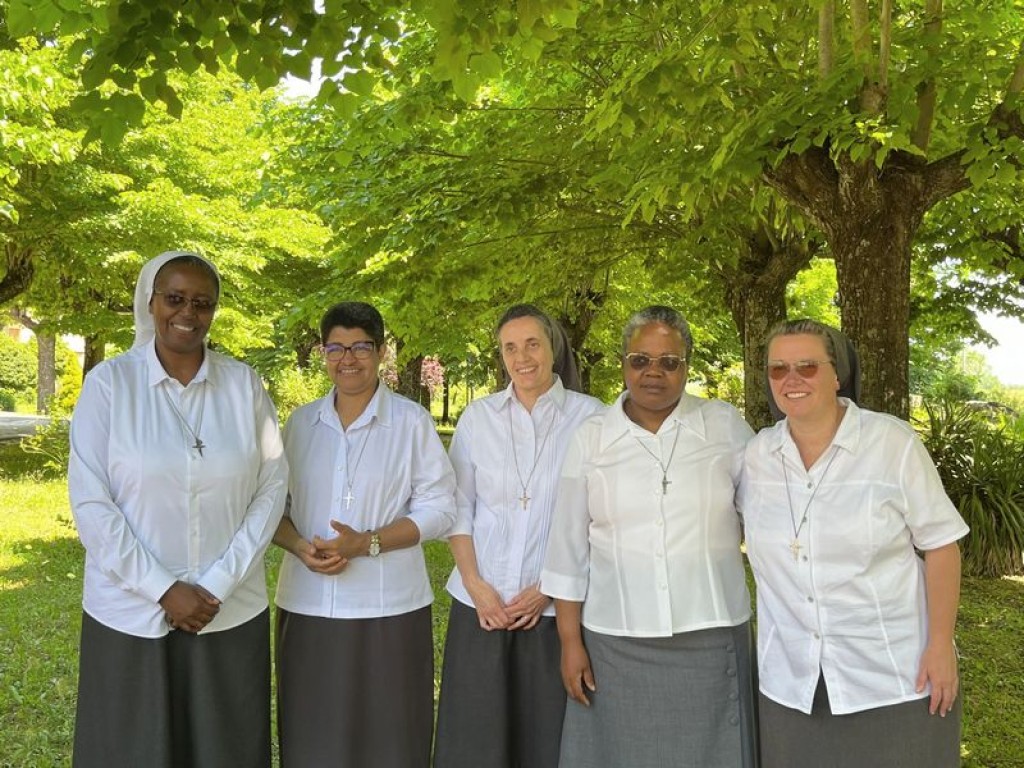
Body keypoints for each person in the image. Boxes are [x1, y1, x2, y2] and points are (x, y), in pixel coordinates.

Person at [68, 250, 288, 767]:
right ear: (150, 303)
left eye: (202, 303)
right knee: (131, 752)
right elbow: (92, 502)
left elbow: (271, 487)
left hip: (227, 609)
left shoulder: (244, 386)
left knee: (225, 751)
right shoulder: (109, 385)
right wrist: (164, 589)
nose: (188, 313)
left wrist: (215, 585)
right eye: (174, 298)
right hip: (129, 611)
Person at [738, 318, 967, 768]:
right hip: (791, 680)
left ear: (837, 374)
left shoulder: (891, 443)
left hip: (893, 674)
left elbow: (942, 544)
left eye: (807, 366)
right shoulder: (756, 455)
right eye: (778, 369)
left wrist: (940, 645)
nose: (791, 379)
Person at [540, 305, 757, 768]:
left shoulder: (725, 427)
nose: (653, 372)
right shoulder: (592, 437)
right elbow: (567, 549)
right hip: (614, 640)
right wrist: (570, 642)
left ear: (687, 366)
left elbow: (767, 516)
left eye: (669, 362)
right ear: (623, 362)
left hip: (711, 631)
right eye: (640, 360)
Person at [273, 301, 456, 768]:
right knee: (312, 738)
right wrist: (299, 546)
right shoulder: (299, 425)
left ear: (381, 352)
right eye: (335, 348)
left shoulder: (411, 423)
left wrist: (368, 542)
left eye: (360, 347)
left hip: (388, 608)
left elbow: (441, 510)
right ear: (323, 352)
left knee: (390, 739)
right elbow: (271, 510)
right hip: (308, 605)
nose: (347, 359)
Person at [433, 304, 604, 768]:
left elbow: (599, 519)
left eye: (532, 344)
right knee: (475, 744)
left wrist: (549, 586)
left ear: (553, 347)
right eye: (510, 348)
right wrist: (475, 585)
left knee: (543, 742)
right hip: (480, 608)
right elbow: (459, 508)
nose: (522, 357)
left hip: (551, 612)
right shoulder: (478, 418)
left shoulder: (592, 419)